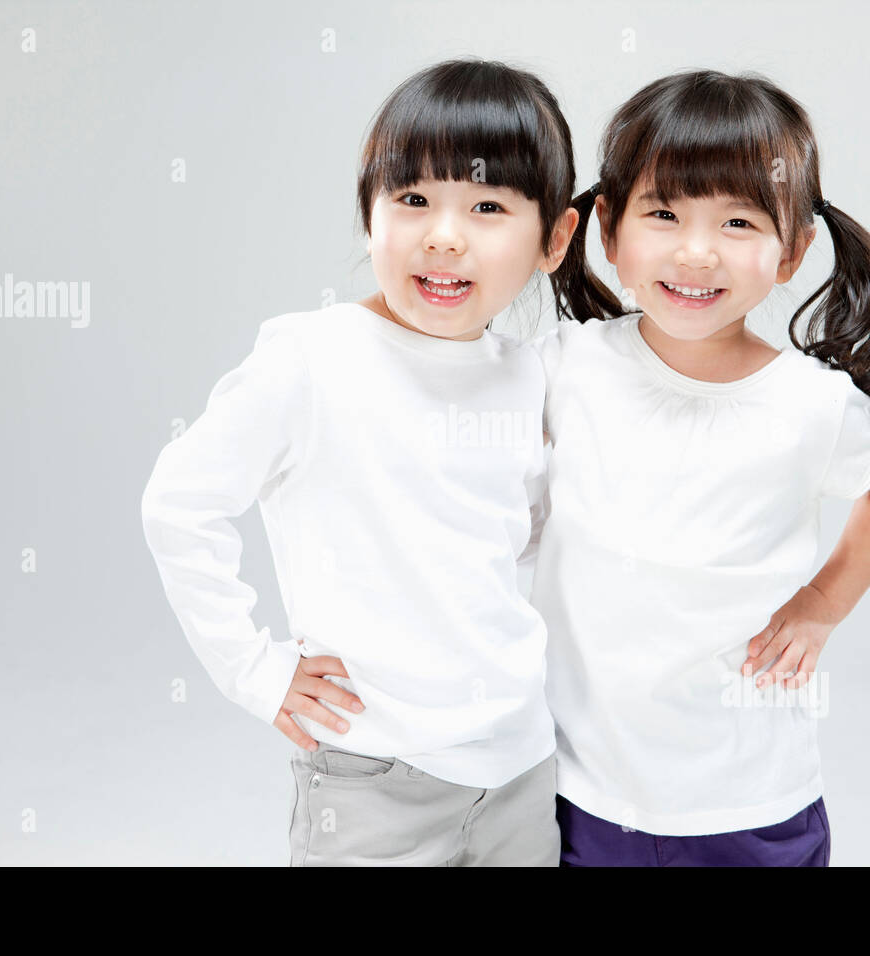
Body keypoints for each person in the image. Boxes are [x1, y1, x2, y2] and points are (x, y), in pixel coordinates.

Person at [140, 58, 594, 866]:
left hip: (521, 766)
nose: (444, 235)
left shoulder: (528, 374)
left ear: (553, 239)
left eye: (488, 207)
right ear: (370, 212)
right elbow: (178, 503)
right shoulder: (312, 361)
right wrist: (257, 670)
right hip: (372, 775)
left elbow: (517, 531)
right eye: (412, 200)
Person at [530, 69, 870, 866]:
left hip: (750, 799)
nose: (696, 250)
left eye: (738, 222)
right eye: (663, 213)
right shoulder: (565, 366)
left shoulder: (812, 404)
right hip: (581, 790)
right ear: (608, 231)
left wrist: (822, 603)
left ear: (791, 252)